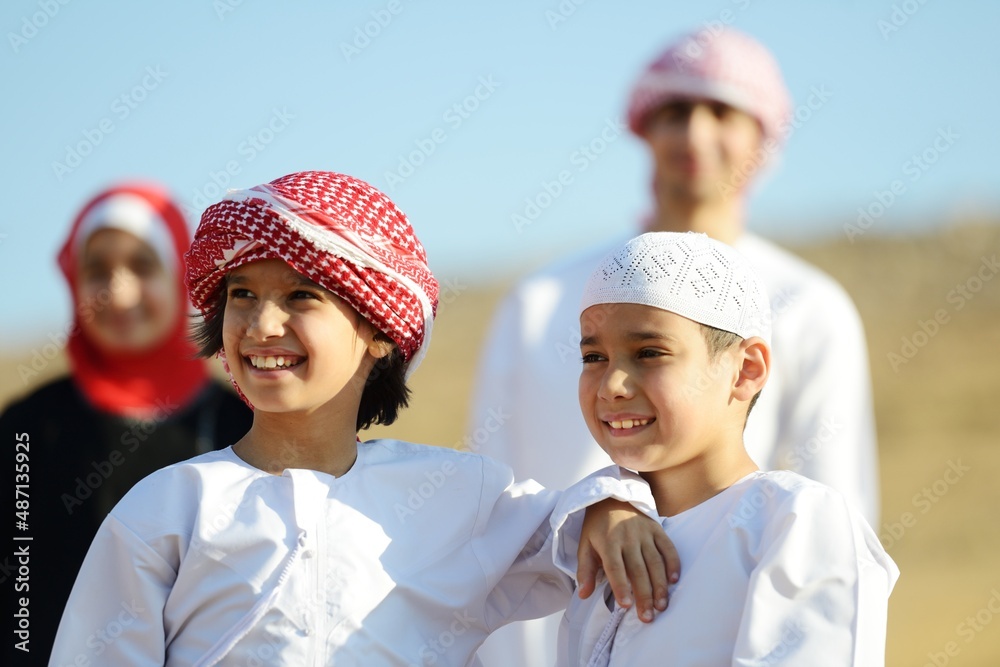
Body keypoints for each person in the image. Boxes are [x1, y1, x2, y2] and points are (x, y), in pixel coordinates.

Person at [48, 171, 677, 666]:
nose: (263, 325)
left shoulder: (460, 496)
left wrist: (611, 508)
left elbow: (572, 526)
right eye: (243, 295)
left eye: (301, 295)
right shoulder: (166, 507)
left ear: (378, 332)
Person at [472, 29, 880, 667]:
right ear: (643, 129)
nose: (694, 133)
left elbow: (835, 487)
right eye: (674, 111)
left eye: (722, 111)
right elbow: (495, 499)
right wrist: (597, 506)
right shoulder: (542, 300)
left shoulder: (809, 306)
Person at [551, 231, 898, 665]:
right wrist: (602, 502)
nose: (612, 386)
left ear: (745, 370)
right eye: (593, 358)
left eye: (650, 353)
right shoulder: (594, 530)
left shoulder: (793, 521)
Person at [1, 183, 252, 662]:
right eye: (96, 270)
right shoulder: (30, 427)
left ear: (180, 275)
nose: (118, 292)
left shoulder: (240, 423)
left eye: (142, 266)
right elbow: (17, 591)